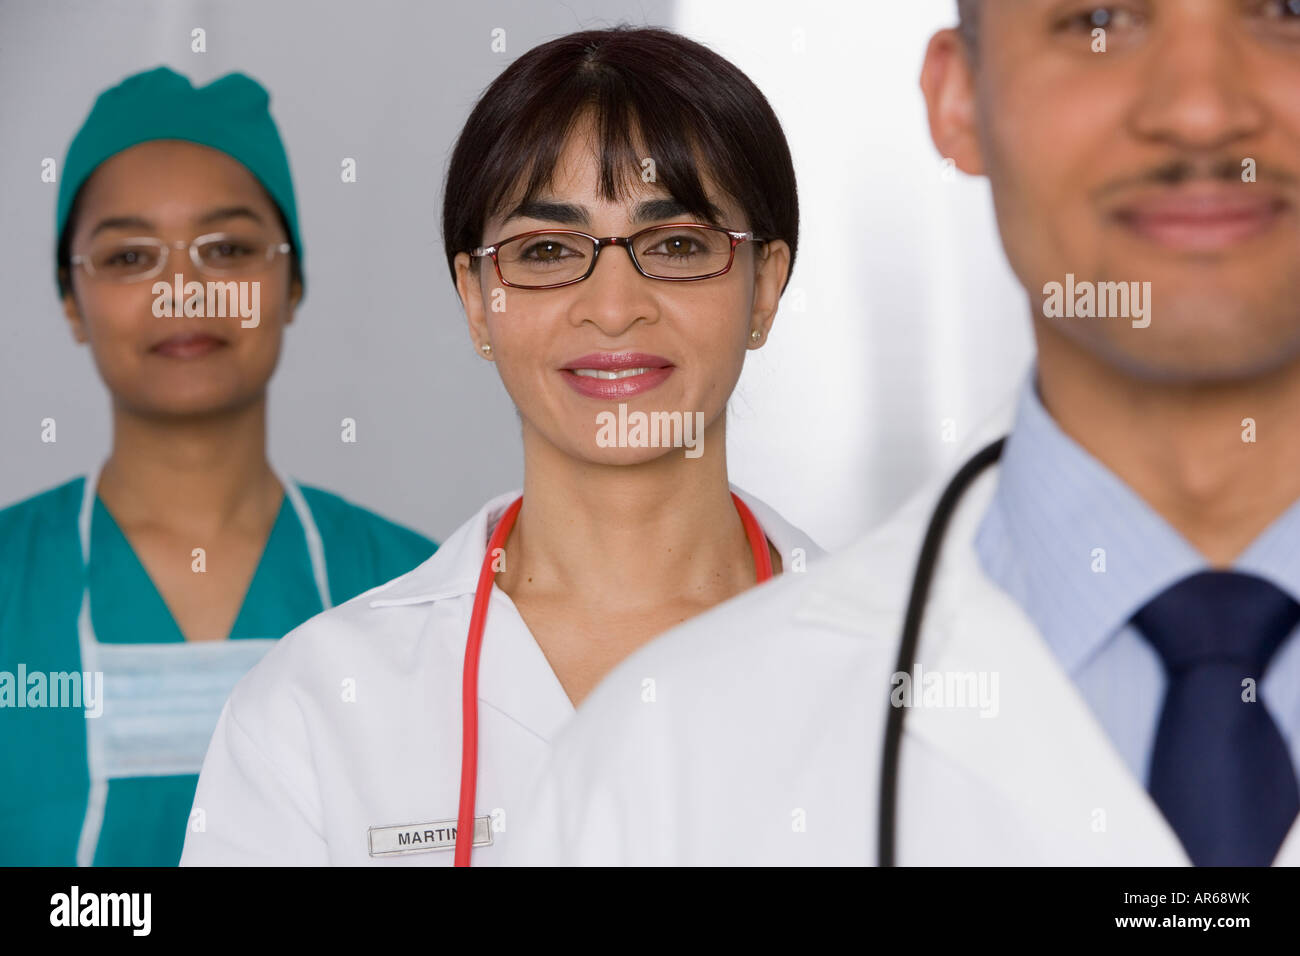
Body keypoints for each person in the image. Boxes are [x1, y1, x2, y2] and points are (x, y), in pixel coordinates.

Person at [507, 0, 1300, 866]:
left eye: (1288, 10)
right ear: (959, 97)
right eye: (1100, 18)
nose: (1201, 110)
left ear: (766, 283)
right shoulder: (658, 762)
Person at [180, 25, 820, 867]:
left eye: (676, 245)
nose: (613, 307)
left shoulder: (895, 670)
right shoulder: (315, 709)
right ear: (478, 300)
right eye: (547, 251)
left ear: (764, 287)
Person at [0, 66, 436, 866]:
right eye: (130, 256)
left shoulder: (421, 592)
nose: (183, 289)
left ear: (292, 283)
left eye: (228, 249)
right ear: (70, 300)